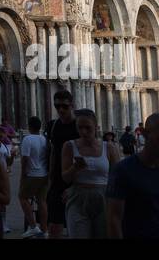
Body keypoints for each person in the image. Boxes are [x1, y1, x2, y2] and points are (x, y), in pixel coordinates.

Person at [60, 108, 119, 238]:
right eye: (80, 128)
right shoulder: (69, 146)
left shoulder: (109, 147)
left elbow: (117, 178)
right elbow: (65, 178)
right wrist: (75, 167)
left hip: (103, 198)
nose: (83, 132)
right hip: (78, 198)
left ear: (96, 127)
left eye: (88, 128)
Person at [45, 88, 80, 238]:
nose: (60, 110)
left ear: (72, 105)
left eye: (64, 106)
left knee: (77, 225)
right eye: (57, 106)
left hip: (76, 181)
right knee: (54, 225)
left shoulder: (79, 126)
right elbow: (53, 152)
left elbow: (86, 154)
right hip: (58, 181)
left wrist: (75, 186)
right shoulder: (54, 125)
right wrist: (50, 180)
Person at [18, 116, 49, 238]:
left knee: (22, 198)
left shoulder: (27, 139)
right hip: (44, 174)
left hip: (32, 174)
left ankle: (33, 226)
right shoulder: (44, 139)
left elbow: (25, 158)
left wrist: (23, 174)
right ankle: (44, 230)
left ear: (29, 126)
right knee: (42, 201)